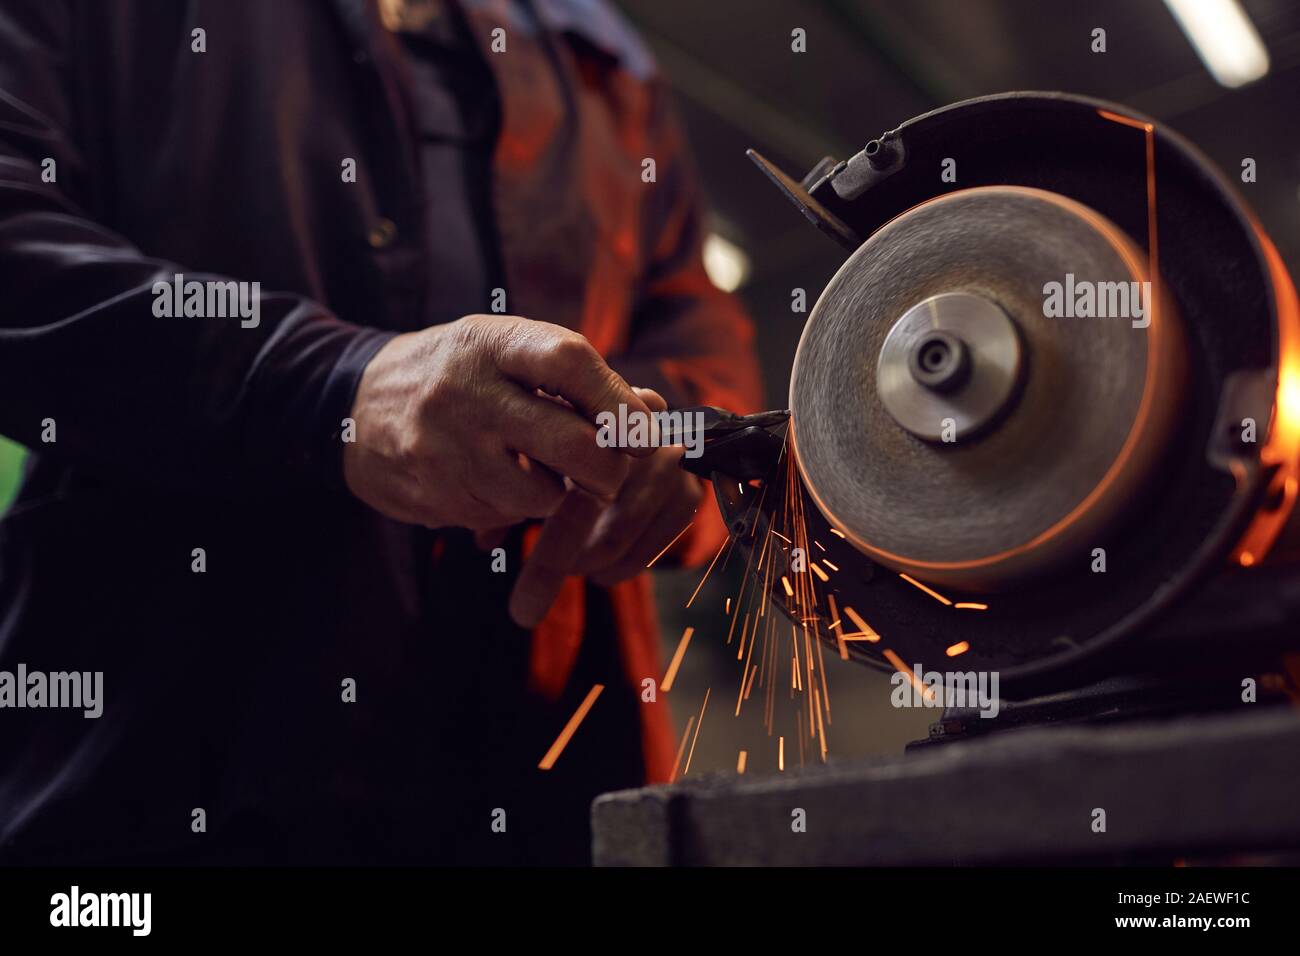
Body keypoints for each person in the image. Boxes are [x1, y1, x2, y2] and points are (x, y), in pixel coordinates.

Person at [0, 0, 760, 864]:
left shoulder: (602, 57)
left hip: (553, 775)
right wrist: (333, 389)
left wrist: (656, 449)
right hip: (165, 769)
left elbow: (707, 350)